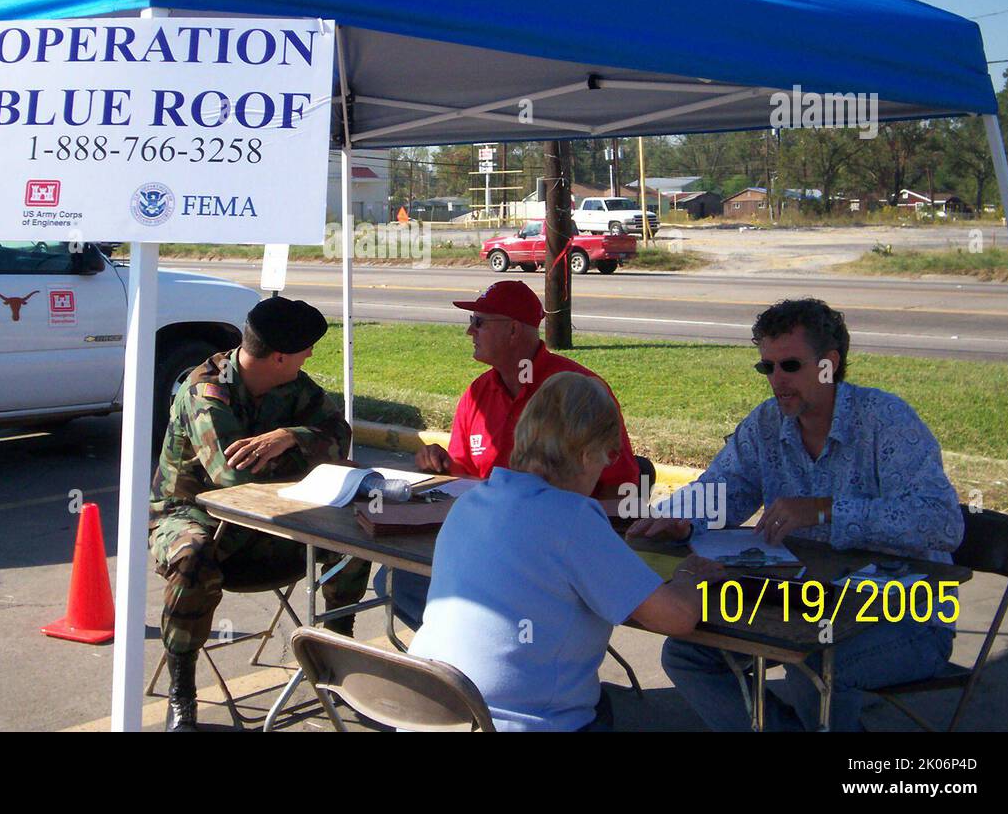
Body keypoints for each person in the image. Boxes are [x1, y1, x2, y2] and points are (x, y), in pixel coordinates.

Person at [628, 298, 964, 731]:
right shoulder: (767, 424)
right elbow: (725, 487)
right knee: (688, 654)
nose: (777, 381)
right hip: (803, 604)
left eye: (789, 366)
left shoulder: (886, 420)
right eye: (766, 368)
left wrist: (826, 510)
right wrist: (685, 518)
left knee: (814, 669)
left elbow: (942, 522)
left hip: (907, 617)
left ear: (829, 364)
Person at [409, 371, 724, 732]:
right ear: (587, 453)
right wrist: (690, 576)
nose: (609, 463)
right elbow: (677, 618)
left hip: (431, 713)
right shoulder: (572, 518)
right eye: (610, 452)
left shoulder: (469, 503)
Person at [149, 296, 369, 732]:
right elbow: (232, 478)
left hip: (274, 519)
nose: (310, 357)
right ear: (280, 356)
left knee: (356, 534)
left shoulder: (293, 384)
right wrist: (311, 458)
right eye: (306, 350)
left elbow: (338, 433)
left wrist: (291, 436)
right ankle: (183, 693)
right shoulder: (206, 391)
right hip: (194, 515)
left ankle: (339, 651)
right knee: (192, 558)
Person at [386, 280, 644, 626]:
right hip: (492, 537)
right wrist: (438, 460)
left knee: (415, 582)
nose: (469, 331)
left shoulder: (578, 392)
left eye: (479, 322)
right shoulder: (477, 393)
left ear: (512, 330)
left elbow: (623, 490)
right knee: (399, 578)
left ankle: (487, 651)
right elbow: (462, 478)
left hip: (550, 549)